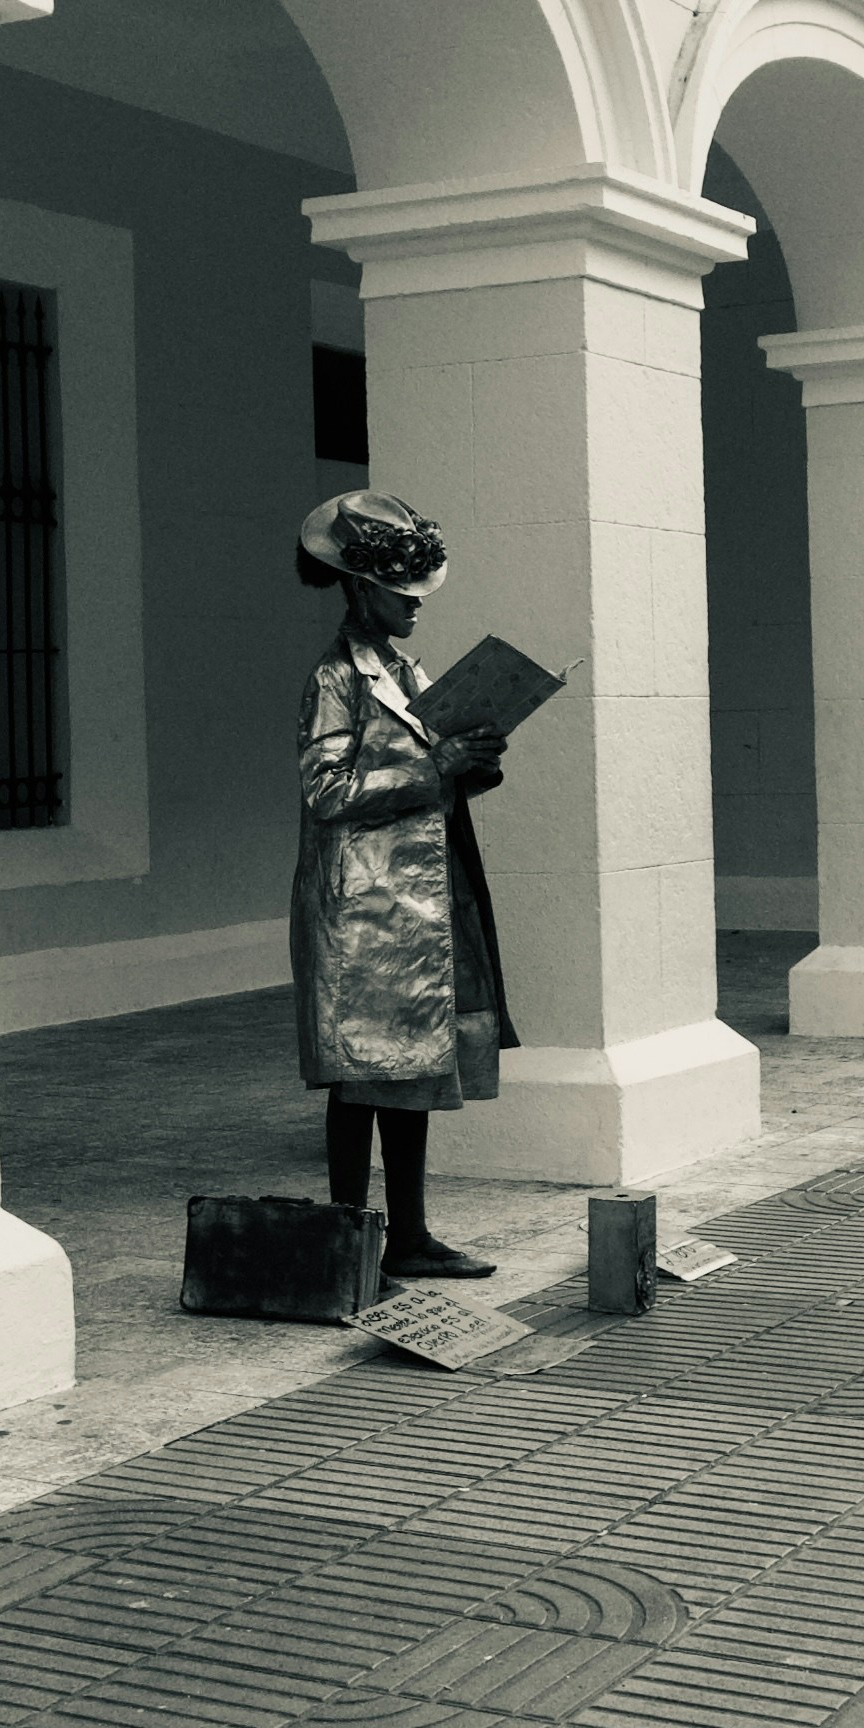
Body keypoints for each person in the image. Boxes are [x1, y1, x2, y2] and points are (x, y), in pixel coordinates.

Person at [290, 490, 515, 1284]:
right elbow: (325, 791)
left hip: (417, 893)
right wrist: (431, 766)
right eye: (400, 594)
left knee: (413, 1070)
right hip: (363, 903)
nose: (415, 608)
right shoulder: (335, 675)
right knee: (361, 1077)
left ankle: (411, 1233)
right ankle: (354, 1237)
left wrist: (468, 767)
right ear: (358, 588)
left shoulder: (405, 667)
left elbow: (423, 779)